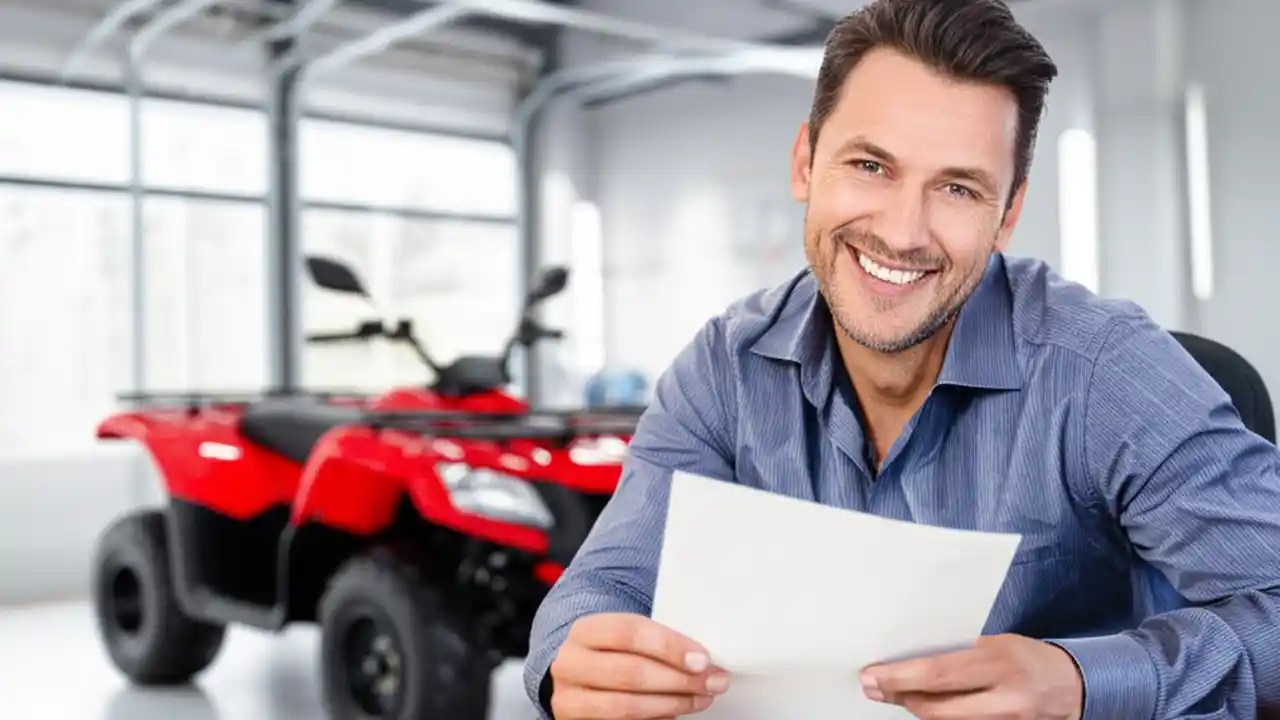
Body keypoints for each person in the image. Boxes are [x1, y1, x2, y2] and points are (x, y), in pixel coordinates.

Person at [524, 0, 1280, 718]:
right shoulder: (726, 367)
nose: (903, 231)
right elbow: (606, 583)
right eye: (870, 166)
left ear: (1007, 213)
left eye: (956, 187)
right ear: (805, 162)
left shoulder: (1104, 371)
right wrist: (577, 664)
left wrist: (1087, 683)